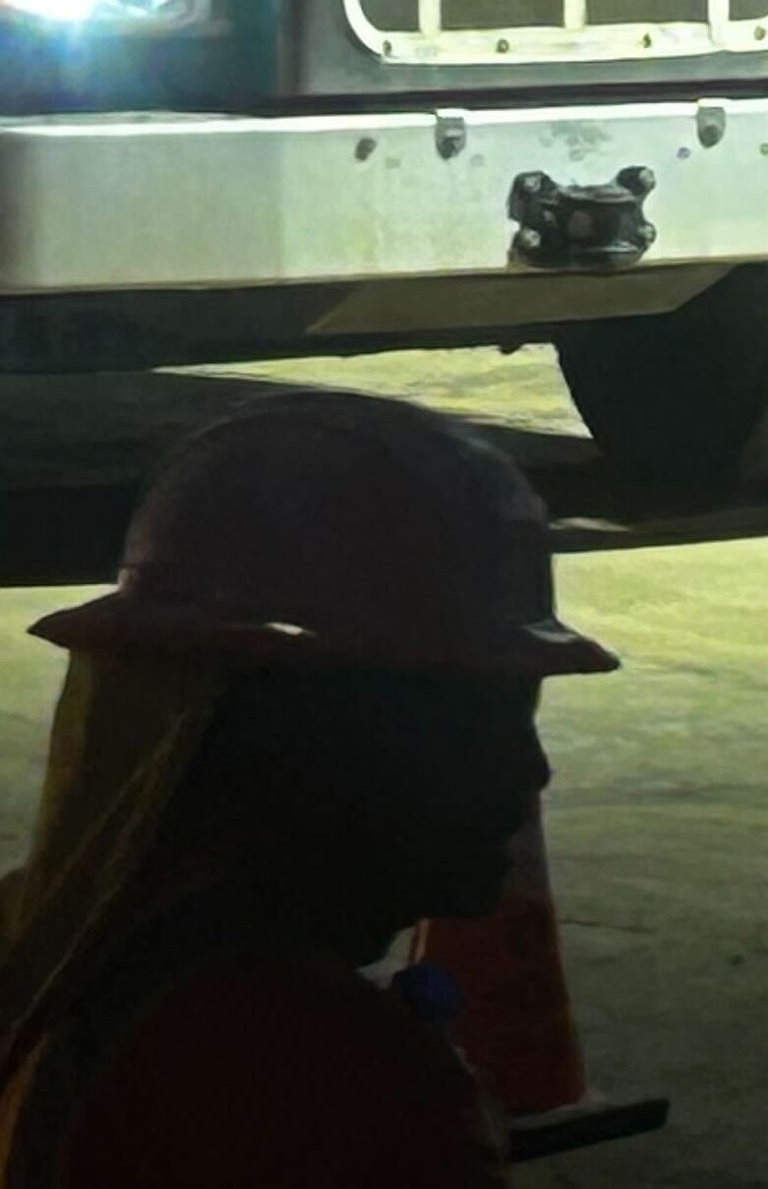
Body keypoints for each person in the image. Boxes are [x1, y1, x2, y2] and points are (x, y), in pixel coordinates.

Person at [0, 391, 618, 1185]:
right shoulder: (344, 1082)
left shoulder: (54, 956)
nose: (527, 771)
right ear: (267, 750)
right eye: (466, 728)